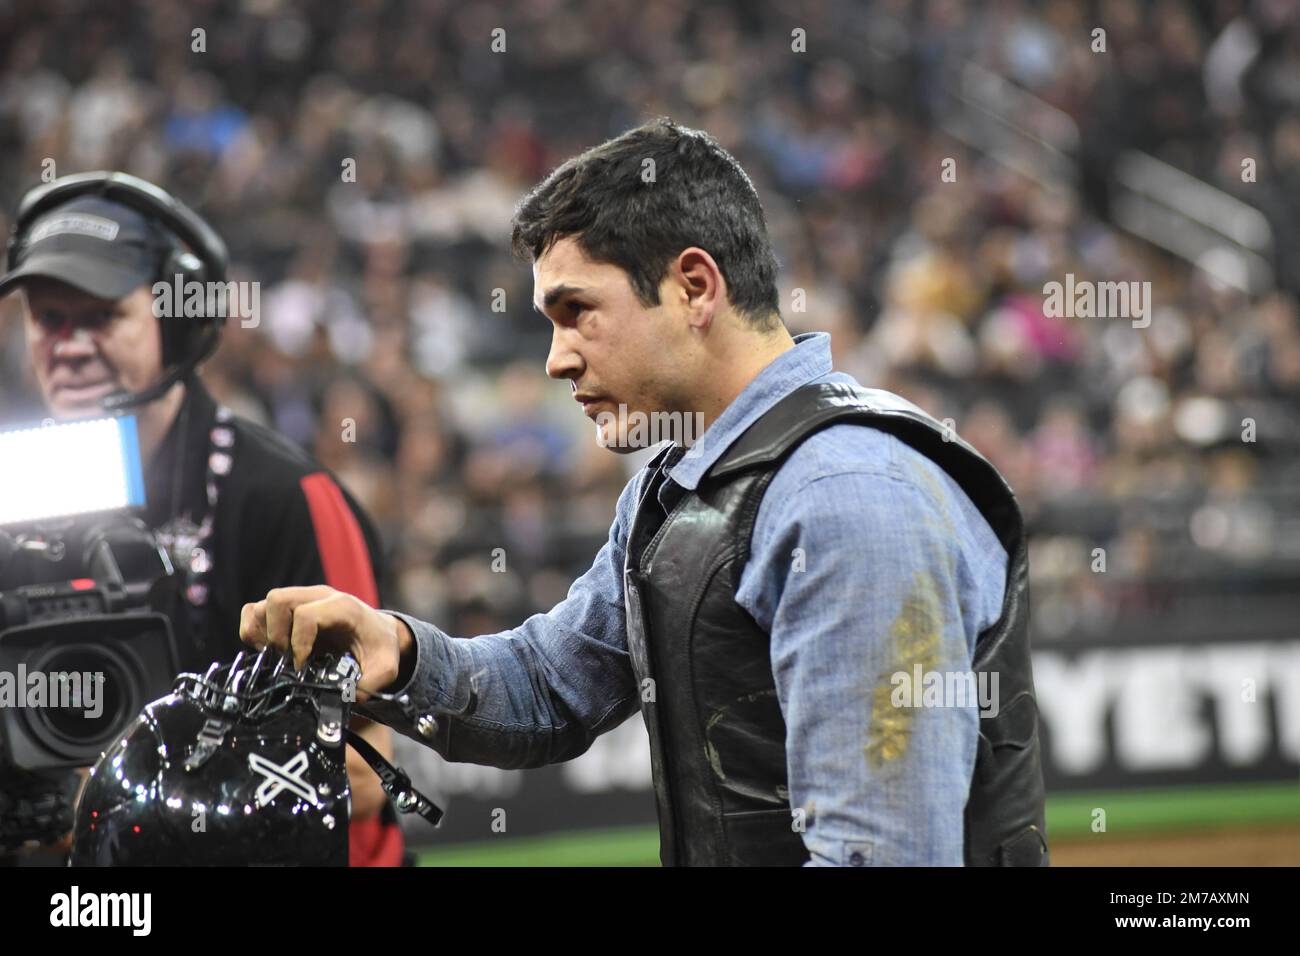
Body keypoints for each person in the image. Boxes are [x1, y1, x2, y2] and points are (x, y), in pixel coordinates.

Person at [240, 119, 1050, 866]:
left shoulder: (847, 497)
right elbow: (555, 686)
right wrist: (403, 652)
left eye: (576, 311)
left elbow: (881, 853)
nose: (556, 359)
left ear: (696, 287)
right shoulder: (682, 482)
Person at [0, 173, 403, 866]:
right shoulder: (15, 492)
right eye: (49, 318)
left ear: (177, 321)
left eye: (99, 317)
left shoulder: (285, 494)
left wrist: (123, 802)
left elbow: (365, 772)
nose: (66, 345)